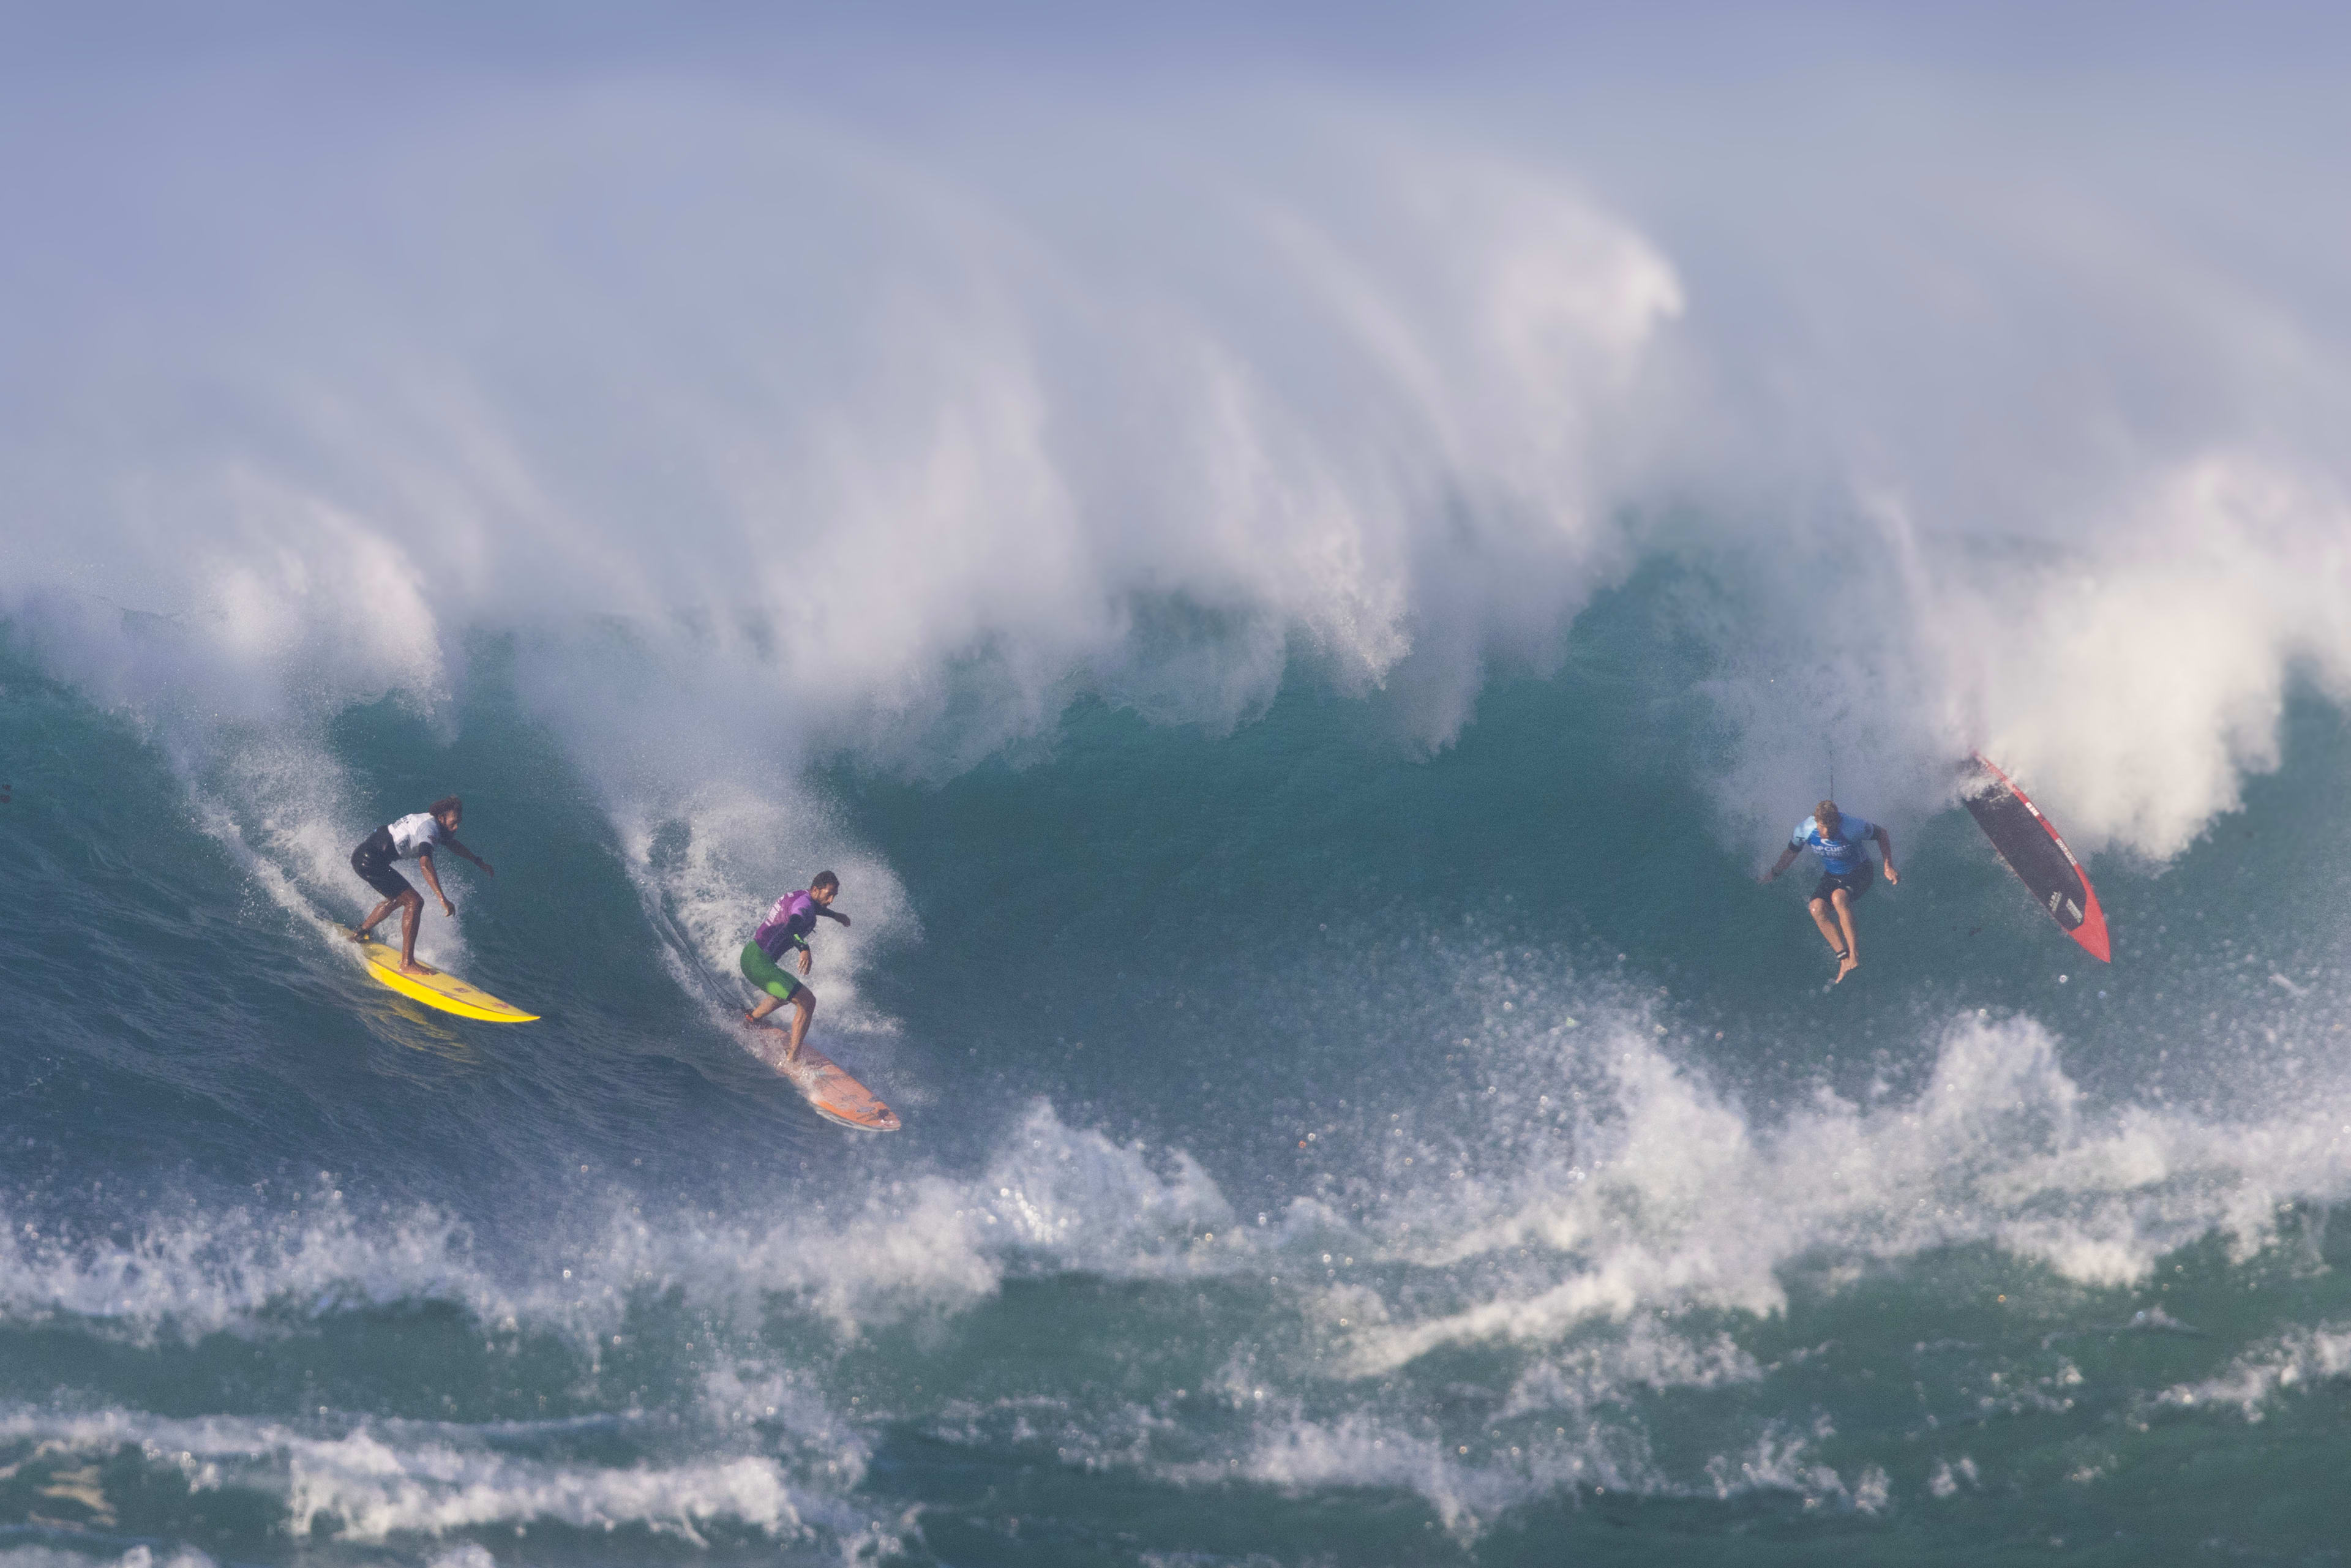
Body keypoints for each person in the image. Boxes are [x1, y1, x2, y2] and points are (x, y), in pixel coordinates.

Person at [347, 796, 495, 977]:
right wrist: (442, 898)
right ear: (442, 818)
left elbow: (453, 845)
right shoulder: (429, 828)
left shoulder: (434, 824)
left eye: (459, 823)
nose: (457, 827)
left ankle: (360, 933)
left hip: (366, 857)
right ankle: (407, 964)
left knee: (399, 899)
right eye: (454, 823)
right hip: (370, 861)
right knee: (415, 902)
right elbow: (425, 863)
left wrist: (478, 861)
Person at [1761, 798, 1898, 984]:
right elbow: (1791, 852)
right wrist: (1775, 873)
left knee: (1838, 897)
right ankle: (1843, 959)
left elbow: (1882, 834)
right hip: (1833, 875)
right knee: (1816, 908)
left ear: (1838, 821)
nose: (1825, 832)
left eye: (1830, 827)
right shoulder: (1805, 829)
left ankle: (1854, 955)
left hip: (1861, 872)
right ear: (1816, 821)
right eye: (1822, 827)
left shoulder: (1853, 827)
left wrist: (1888, 866)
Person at [740, 872, 850, 1065]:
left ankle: (752, 1018)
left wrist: (835, 916)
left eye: (834, 896)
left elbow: (813, 908)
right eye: (829, 895)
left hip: (751, 955)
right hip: (760, 964)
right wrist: (804, 948)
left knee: (787, 992)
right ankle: (792, 1060)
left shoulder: (802, 897)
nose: (831, 900)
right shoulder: (804, 906)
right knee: (807, 1001)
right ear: (815, 890)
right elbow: (791, 928)